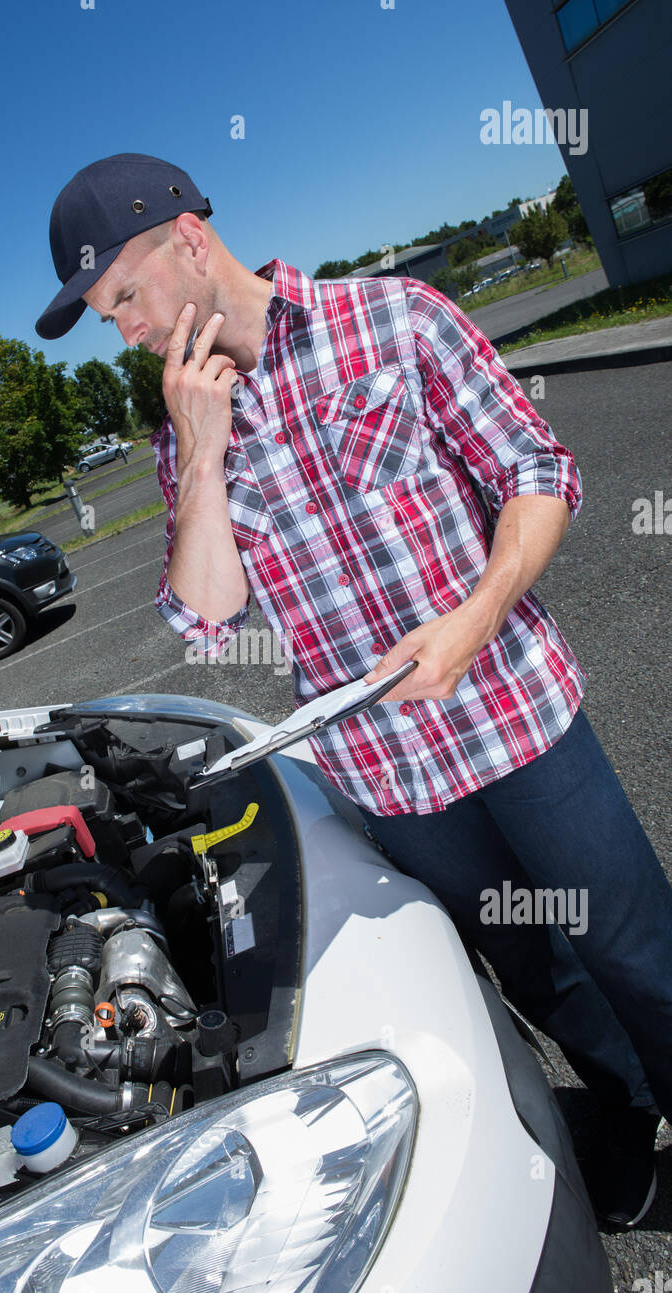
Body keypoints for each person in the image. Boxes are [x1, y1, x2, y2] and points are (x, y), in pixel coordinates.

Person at [36, 152, 672, 1228]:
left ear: (188, 241)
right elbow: (202, 617)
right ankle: (627, 1118)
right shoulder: (181, 426)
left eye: (124, 298)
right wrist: (199, 449)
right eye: (108, 316)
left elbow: (536, 471)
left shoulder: (394, 320)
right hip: (391, 778)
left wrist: (471, 621)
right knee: (531, 970)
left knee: (630, 943)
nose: (127, 330)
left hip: (513, 716)